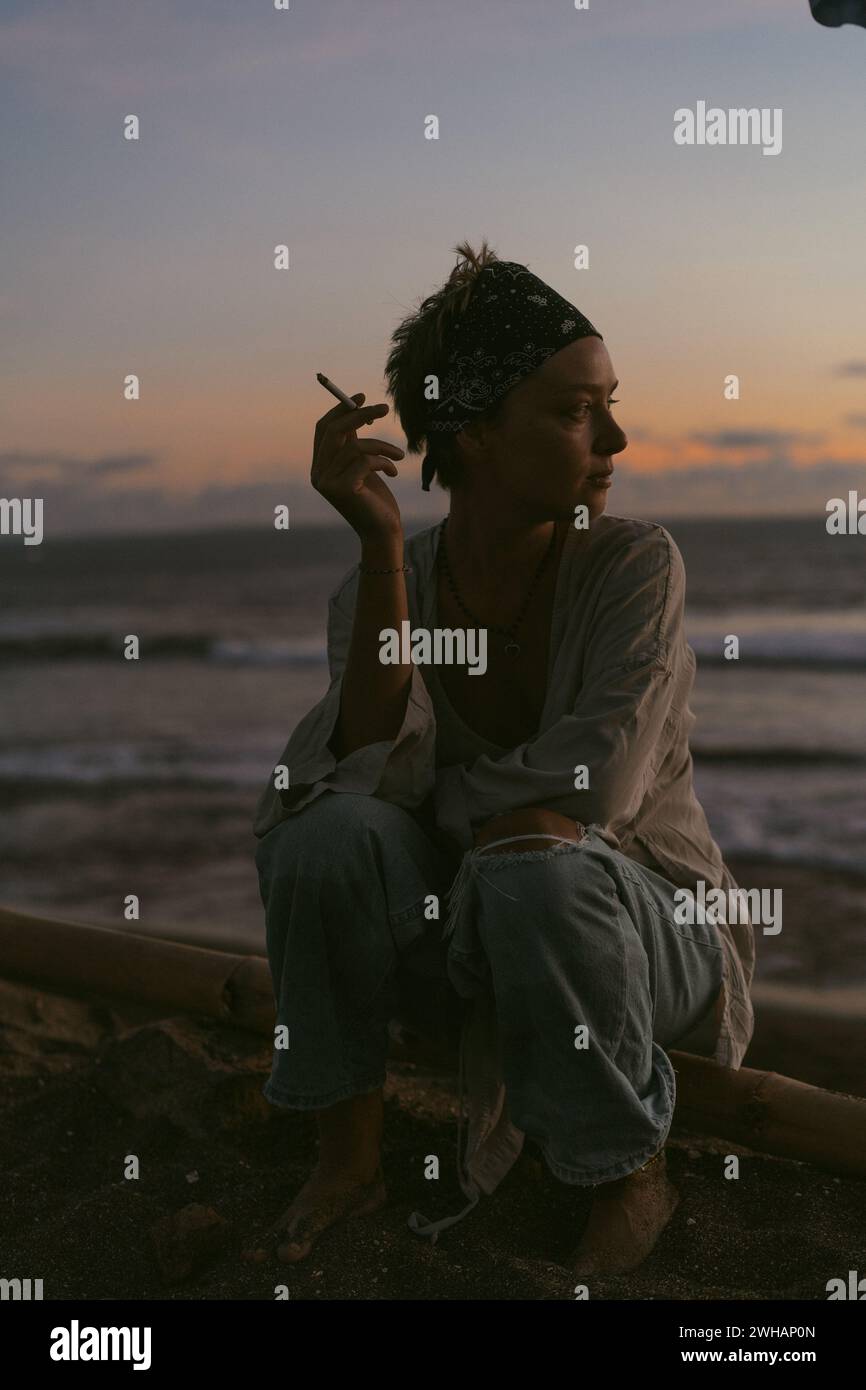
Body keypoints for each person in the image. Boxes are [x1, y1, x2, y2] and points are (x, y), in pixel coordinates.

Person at [248, 241, 756, 1278]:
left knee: (532, 852)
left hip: (649, 930)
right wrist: (382, 550)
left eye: (609, 403)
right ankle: (347, 1157)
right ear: (472, 433)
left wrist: (454, 816)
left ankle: (626, 1170)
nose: (615, 437)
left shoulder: (632, 565)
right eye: (575, 411)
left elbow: (596, 792)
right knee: (325, 837)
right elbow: (355, 781)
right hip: (478, 931)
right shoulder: (388, 588)